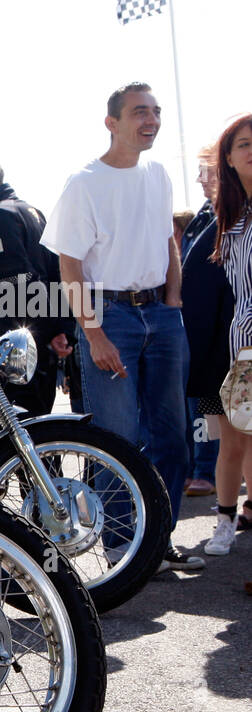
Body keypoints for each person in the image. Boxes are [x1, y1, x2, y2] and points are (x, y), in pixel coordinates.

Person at [40, 81, 203, 573]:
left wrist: (173, 301)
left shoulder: (158, 175)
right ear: (112, 122)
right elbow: (69, 267)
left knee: (174, 438)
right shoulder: (84, 183)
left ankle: (158, 539)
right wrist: (94, 334)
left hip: (161, 316)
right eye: (139, 112)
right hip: (110, 317)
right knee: (119, 440)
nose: (150, 120)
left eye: (155, 111)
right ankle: (121, 548)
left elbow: (168, 243)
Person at [0, 157, 73, 414]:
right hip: (43, 338)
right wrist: (58, 328)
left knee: (23, 429)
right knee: (43, 427)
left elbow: (17, 279)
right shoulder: (32, 212)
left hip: (19, 345)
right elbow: (57, 272)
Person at [207, 113, 252, 564]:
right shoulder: (229, 217)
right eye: (243, 143)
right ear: (230, 158)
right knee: (236, 437)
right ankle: (224, 519)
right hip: (244, 344)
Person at [183, 146, 225, 500]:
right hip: (200, 331)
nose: (199, 178)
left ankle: (204, 471)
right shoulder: (204, 216)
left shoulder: (232, 215)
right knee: (204, 407)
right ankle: (201, 469)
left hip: (224, 332)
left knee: (214, 407)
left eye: (205, 171)